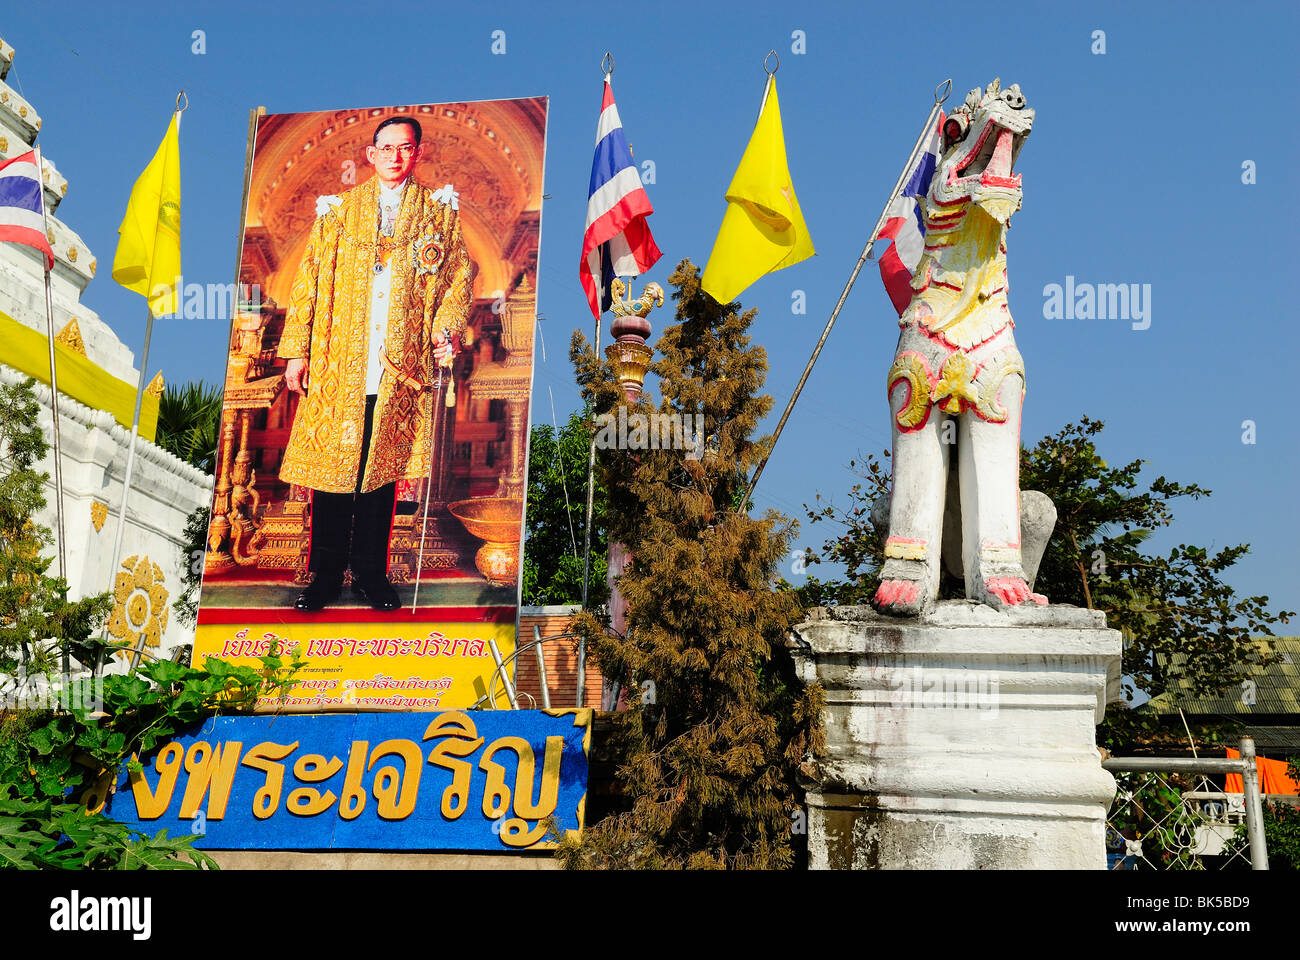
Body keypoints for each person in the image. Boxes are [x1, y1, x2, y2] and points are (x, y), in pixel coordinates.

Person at [277, 116, 475, 612]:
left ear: (417, 153)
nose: (394, 157)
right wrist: (297, 351)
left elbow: (458, 277)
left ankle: (370, 573)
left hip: (399, 365)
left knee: (380, 473)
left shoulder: (438, 212)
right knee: (333, 473)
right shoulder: (338, 211)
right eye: (385, 148)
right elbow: (309, 281)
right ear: (371, 155)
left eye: (404, 148)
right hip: (338, 361)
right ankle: (322, 575)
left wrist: (444, 329)